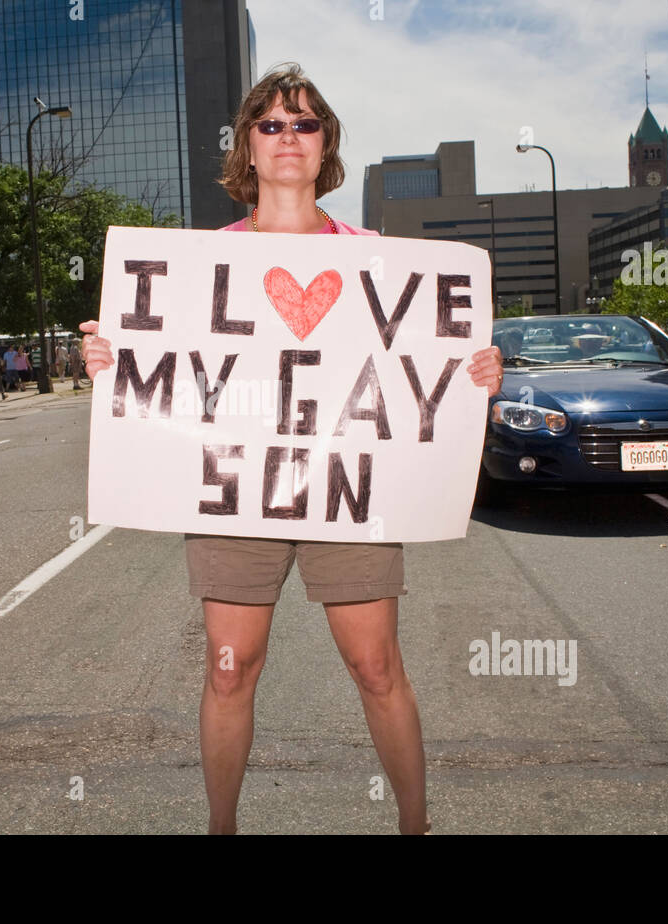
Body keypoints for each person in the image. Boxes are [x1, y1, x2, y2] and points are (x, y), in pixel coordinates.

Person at [80, 64, 503, 836]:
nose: (288, 137)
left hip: (349, 483)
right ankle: (222, 828)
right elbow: (168, 374)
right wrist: (112, 360)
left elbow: (424, 364)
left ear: (325, 144)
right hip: (236, 487)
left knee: (376, 668)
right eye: (271, 124)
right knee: (228, 669)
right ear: (247, 143)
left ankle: (416, 824)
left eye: (305, 124)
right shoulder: (200, 263)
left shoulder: (378, 255)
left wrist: (476, 370)